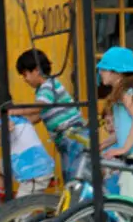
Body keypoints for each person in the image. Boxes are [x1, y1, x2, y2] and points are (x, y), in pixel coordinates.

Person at [8, 48, 87, 180]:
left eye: (25, 74)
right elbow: (37, 116)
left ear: (37, 70)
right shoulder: (42, 90)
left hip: (73, 136)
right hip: (66, 138)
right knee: (70, 177)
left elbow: (38, 108)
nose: (25, 79)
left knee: (75, 178)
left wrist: (15, 110)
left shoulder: (48, 85)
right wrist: (18, 122)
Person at [97, 46, 133, 199]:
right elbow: (125, 129)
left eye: (103, 69)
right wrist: (103, 145)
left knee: (128, 210)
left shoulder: (124, 93)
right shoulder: (123, 92)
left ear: (115, 71)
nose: (100, 72)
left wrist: (124, 148)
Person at [0, 86, 55, 197]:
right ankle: (2, 206)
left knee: (19, 213)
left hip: (34, 174)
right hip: (29, 166)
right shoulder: (15, 117)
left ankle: (9, 212)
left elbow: (9, 128)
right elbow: (3, 140)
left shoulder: (6, 119)